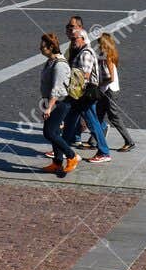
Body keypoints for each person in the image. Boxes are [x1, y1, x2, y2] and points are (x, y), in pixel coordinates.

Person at [61, 20, 111, 162]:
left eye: (75, 38)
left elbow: (85, 75)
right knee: (70, 121)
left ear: (83, 38)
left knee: (93, 123)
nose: (72, 41)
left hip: (83, 94)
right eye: (71, 39)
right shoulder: (79, 51)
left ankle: (104, 152)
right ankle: (62, 148)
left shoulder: (85, 54)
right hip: (78, 93)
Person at [37, 34, 76, 177]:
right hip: (51, 102)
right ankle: (57, 163)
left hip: (60, 103)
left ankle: (71, 156)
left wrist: (49, 107)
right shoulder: (50, 62)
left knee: (49, 132)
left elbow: (58, 88)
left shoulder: (59, 65)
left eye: (42, 47)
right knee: (55, 132)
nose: (40, 48)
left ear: (51, 47)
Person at [94, 32, 136, 151]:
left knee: (114, 117)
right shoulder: (104, 55)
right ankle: (93, 141)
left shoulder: (107, 56)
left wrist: (99, 84)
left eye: (100, 44)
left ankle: (129, 141)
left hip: (110, 91)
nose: (98, 46)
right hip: (105, 90)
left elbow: (111, 78)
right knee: (98, 115)